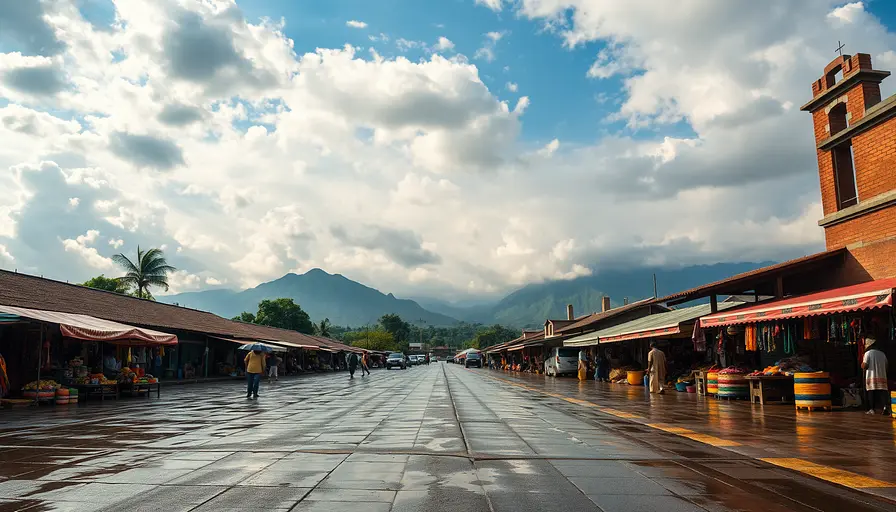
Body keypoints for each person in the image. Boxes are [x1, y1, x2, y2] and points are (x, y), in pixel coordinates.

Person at [862, 336, 889, 415]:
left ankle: (872, 409)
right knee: (882, 392)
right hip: (882, 376)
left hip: (871, 376)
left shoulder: (868, 353)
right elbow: (887, 365)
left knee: (871, 392)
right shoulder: (882, 354)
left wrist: (862, 365)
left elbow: (865, 365)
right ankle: (885, 407)